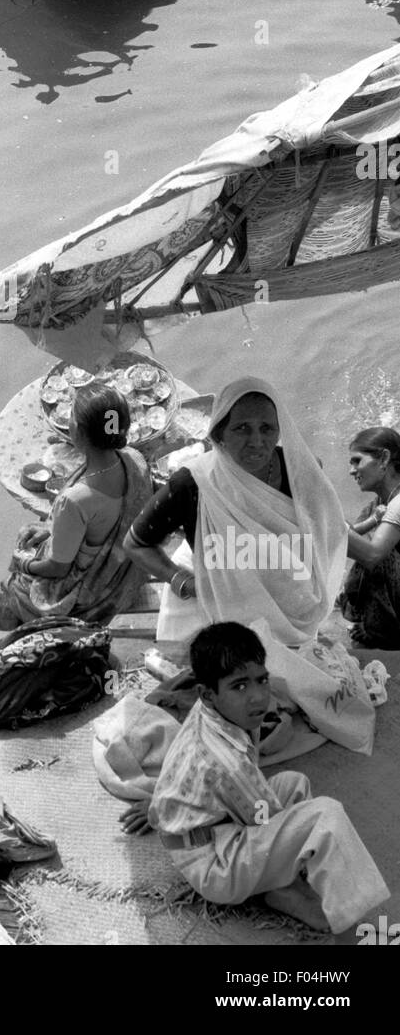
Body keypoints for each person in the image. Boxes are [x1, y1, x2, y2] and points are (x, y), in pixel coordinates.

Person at [146, 622, 389, 938]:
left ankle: (277, 885)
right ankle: (356, 926)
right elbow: (266, 818)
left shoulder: (210, 712)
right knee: (324, 817)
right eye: (240, 686)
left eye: (261, 680)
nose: (259, 697)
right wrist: (297, 830)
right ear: (207, 694)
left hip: (214, 831)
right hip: (215, 865)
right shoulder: (225, 762)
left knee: (293, 782)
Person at [121, 377, 348, 648]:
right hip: (225, 614)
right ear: (219, 434)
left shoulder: (300, 474)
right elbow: (136, 542)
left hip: (292, 611)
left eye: (267, 428)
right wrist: (182, 581)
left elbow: (329, 534)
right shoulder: (194, 484)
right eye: (242, 428)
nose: (257, 441)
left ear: (280, 429)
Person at [0, 384, 153, 629]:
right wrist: (55, 531)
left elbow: (58, 568)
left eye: (72, 417)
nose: (69, 422)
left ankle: (32, 639)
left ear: (80, 433)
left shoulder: (75, 501)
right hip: (125, 566)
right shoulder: (134, 459)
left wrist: (23, 564)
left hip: (91, 589)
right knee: (36, 535)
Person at [339, 427, 400, 648]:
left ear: (384, 458)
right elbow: (353, 538)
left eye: (357, 461)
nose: (351, 471)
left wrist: (324, 520)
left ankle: (382, 633)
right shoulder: (376, 506)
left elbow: (372, 555)